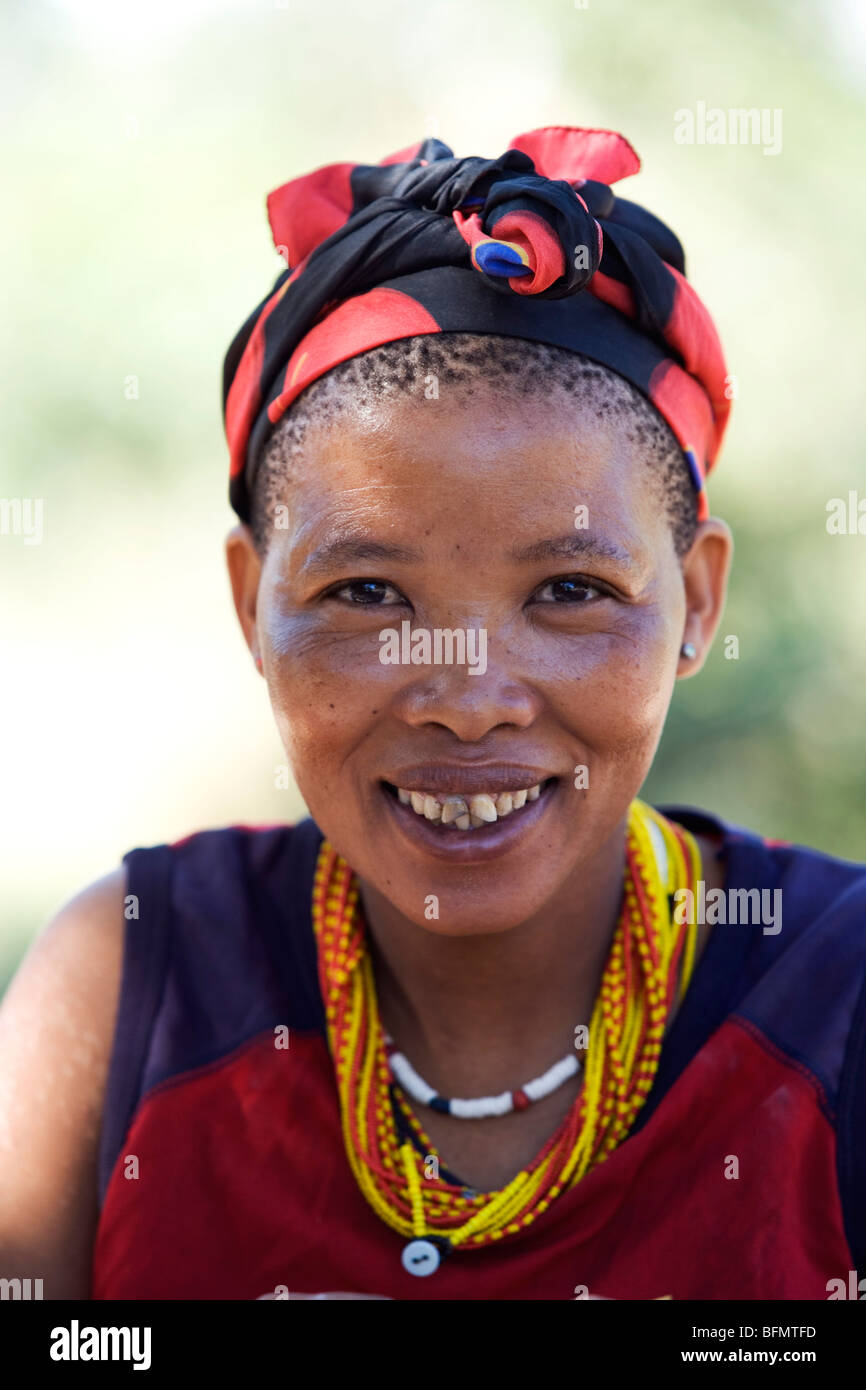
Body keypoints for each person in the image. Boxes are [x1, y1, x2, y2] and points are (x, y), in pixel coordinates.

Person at [1, 126, 864, 1301]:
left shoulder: (837, 1002)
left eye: (569, 591)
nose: (467, 699)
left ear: (694, 600)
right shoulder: (131, 982)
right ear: (254, 605)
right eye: (364, 593)